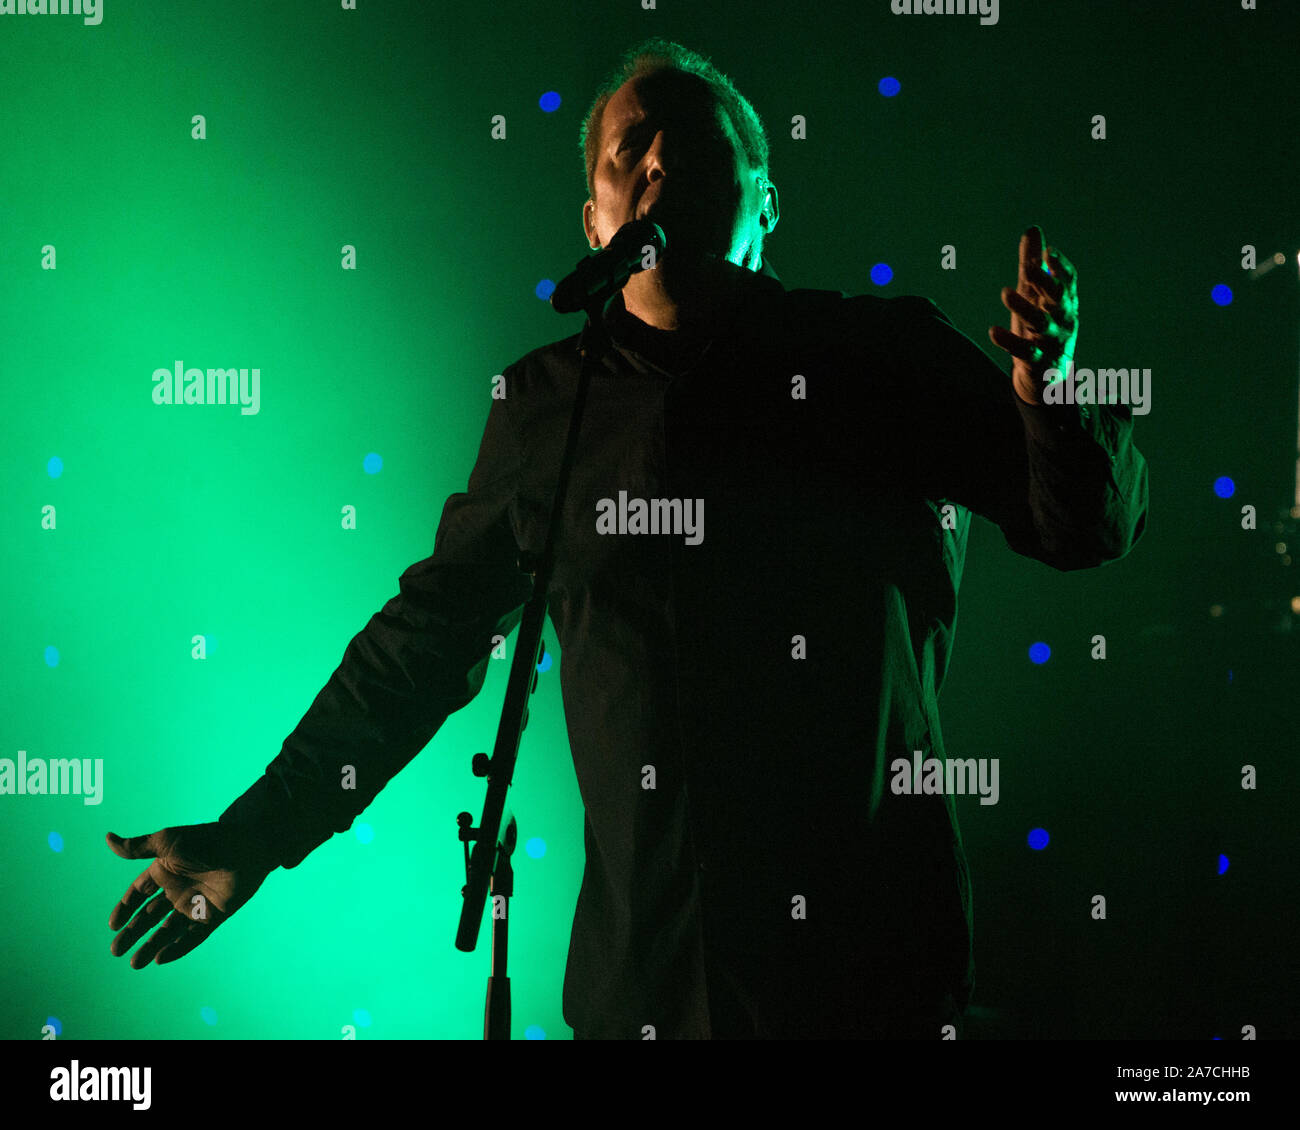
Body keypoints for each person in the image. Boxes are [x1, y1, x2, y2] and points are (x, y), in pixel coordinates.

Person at [107, 38, 1149, 1039]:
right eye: (629, 147)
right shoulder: (546, 407)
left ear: (766, 203)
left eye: (694, 143)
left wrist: (1048, 396)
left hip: (864, 977)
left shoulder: (876, 356)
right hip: (645, 981)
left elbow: (1085, 525)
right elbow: (423, 641)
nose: (660, 158)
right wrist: (259, 828)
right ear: (595, 219)